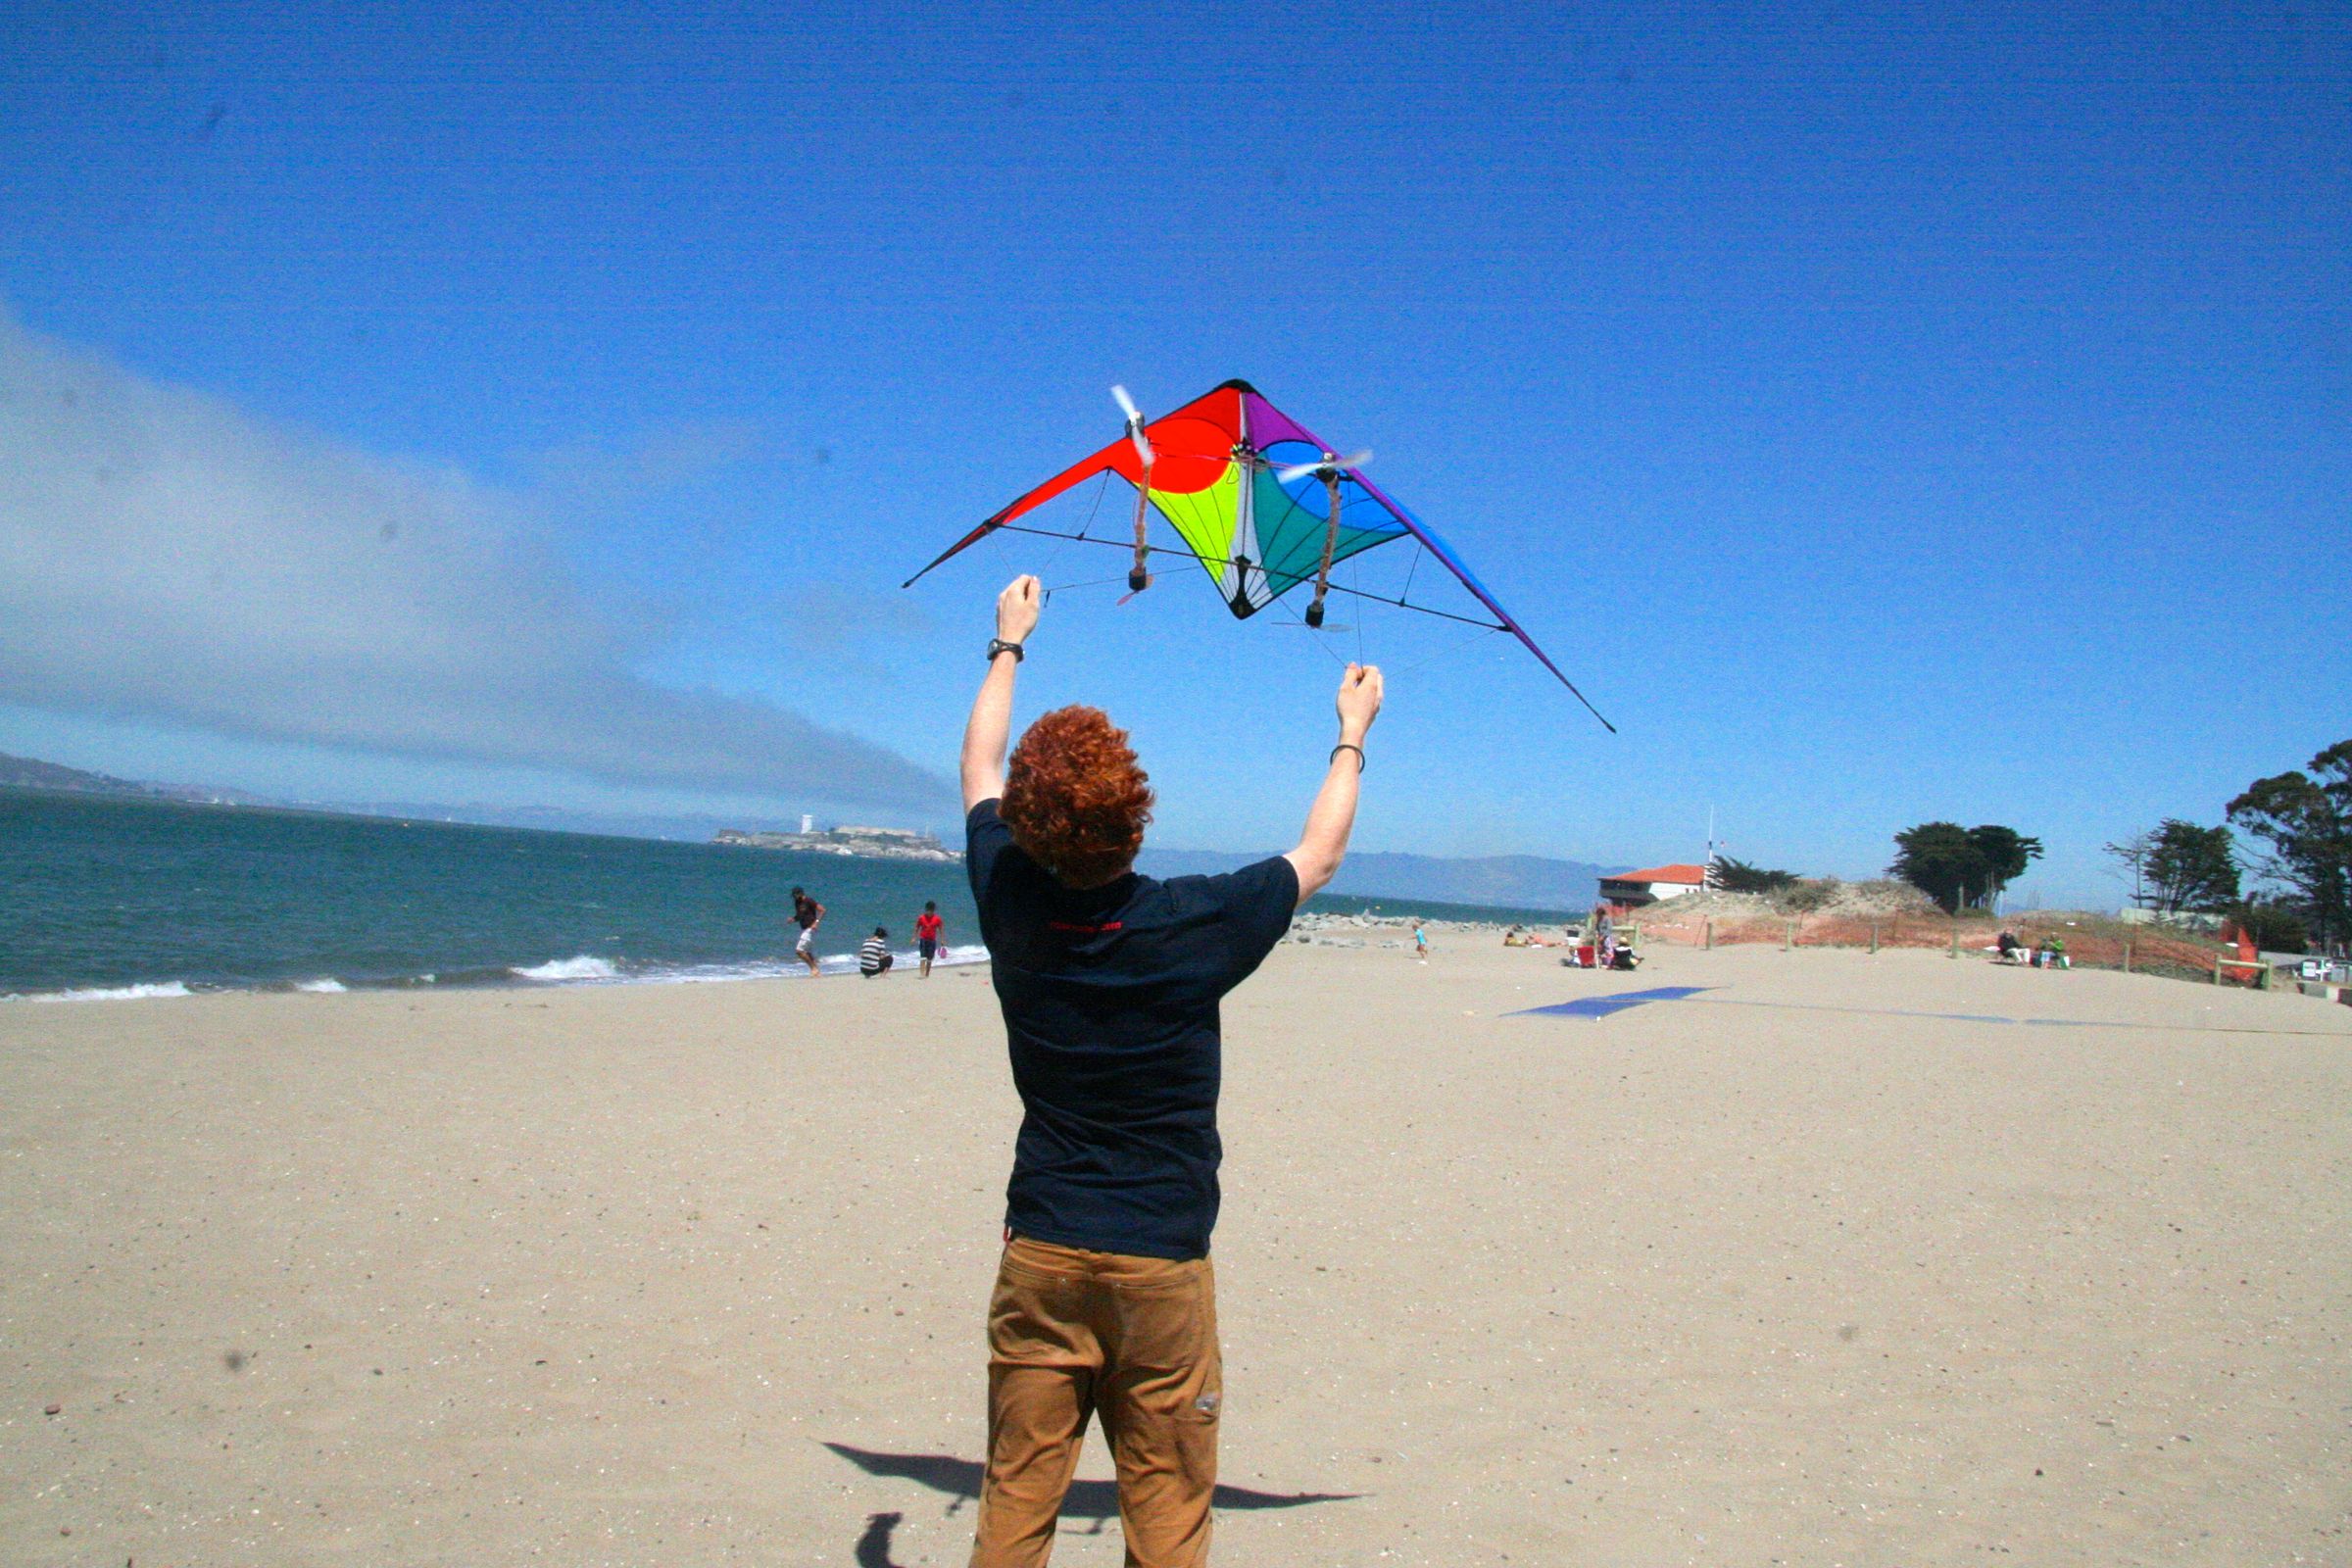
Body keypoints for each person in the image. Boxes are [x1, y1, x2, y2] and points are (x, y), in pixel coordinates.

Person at [958, 574, 1381, 1567]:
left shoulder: (1007, 890)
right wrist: (1352, 728)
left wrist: (1008, 642)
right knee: (1167, 1504)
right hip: (1160, 1263)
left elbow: (978, 764)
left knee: (1017, 1496)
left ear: (1028, 822)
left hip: (1044, 1251)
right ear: (1135, 816)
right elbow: (1316, 856)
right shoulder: (1192, 922)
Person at [791, 885, 825, 977]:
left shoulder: (809, 901)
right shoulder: (797, 903)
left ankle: (814, 968)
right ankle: (816, 972)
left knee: (799, 951)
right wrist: (793, 919)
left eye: (795, 895)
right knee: (807, 952)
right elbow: (799, 916)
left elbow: (822, 910)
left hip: (811, 928)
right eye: (793, 895)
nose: (794, 897)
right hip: (804, 928)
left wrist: (816, 922)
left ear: (800, 894)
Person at [915, 901, 946, 977]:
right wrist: (914, 937)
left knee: (929, 958)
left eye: (931, 910)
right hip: (923, 939)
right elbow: (917, 927)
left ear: (933, 910)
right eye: (928, 910)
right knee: (922, 957)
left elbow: (941, 929)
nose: (929, 912)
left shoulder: (937, 919)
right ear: (926, 909)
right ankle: (922, 974)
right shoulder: (921, 918)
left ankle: (927, 974)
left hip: (932, 940)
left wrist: (942, 939)